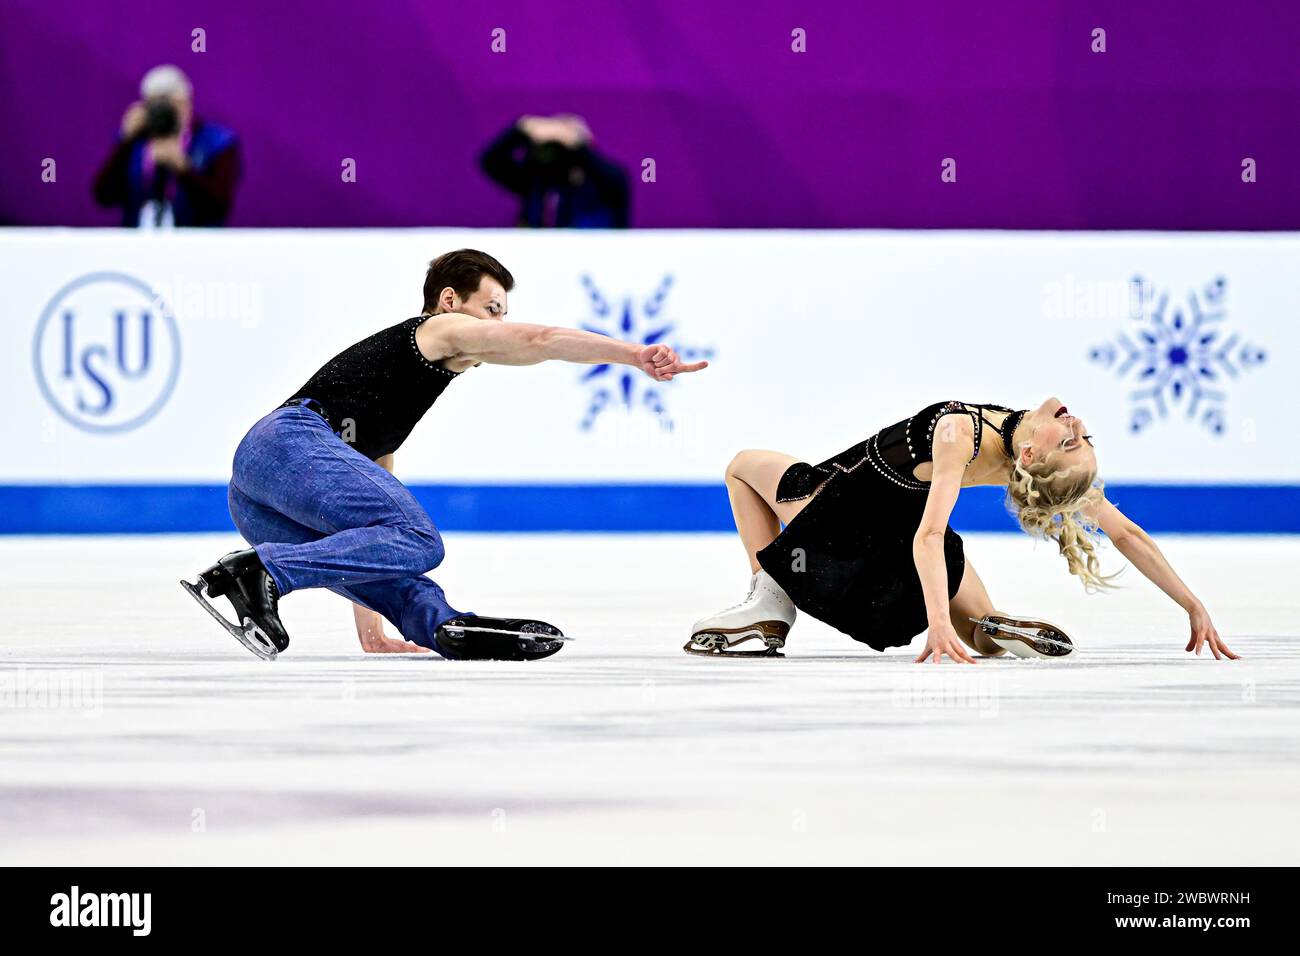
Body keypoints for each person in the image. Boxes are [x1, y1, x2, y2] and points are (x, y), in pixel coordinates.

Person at [182, 250, 707, 661]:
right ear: (452, 301)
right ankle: (259, 572)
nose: (498, 326)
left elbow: (363, 535)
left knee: (401, 554)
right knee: (419, 539)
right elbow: (541, 339)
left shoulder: (399, 395)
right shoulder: (435, 330)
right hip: (287, 444)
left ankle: (442, 625)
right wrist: (633, 355)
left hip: (255, 498)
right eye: (492, 310)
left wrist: (373, 628)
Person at [687, 399, 1238, 663]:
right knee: (977, 628)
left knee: (742, 465)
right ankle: (988, 624)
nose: (1073, 424)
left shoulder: (959, 432)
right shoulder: (1030, 463)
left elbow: (926, 537)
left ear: (1029, 454)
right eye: (1081, 434)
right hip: (906, 551)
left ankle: (769, 601)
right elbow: (1128, 536)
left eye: (1070, 440)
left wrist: (933, 627)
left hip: (839, 524)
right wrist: (1192, 604)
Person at [93, 65, 240, 228]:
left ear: (188, 103)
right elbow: (103, 196)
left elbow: (218, 207)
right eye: (158, 105)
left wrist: (183, 169)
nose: (167, 112)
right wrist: (125, 143)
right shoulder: (134, 140)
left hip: (196, 245)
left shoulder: (217, 142)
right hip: (139, 244)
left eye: (174, 104)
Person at [479, 114, 629, 228]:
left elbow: (617, 179)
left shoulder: (601, 185)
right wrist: (522, 128)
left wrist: (576, 143)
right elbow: (491, 160)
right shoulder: (533, 182)